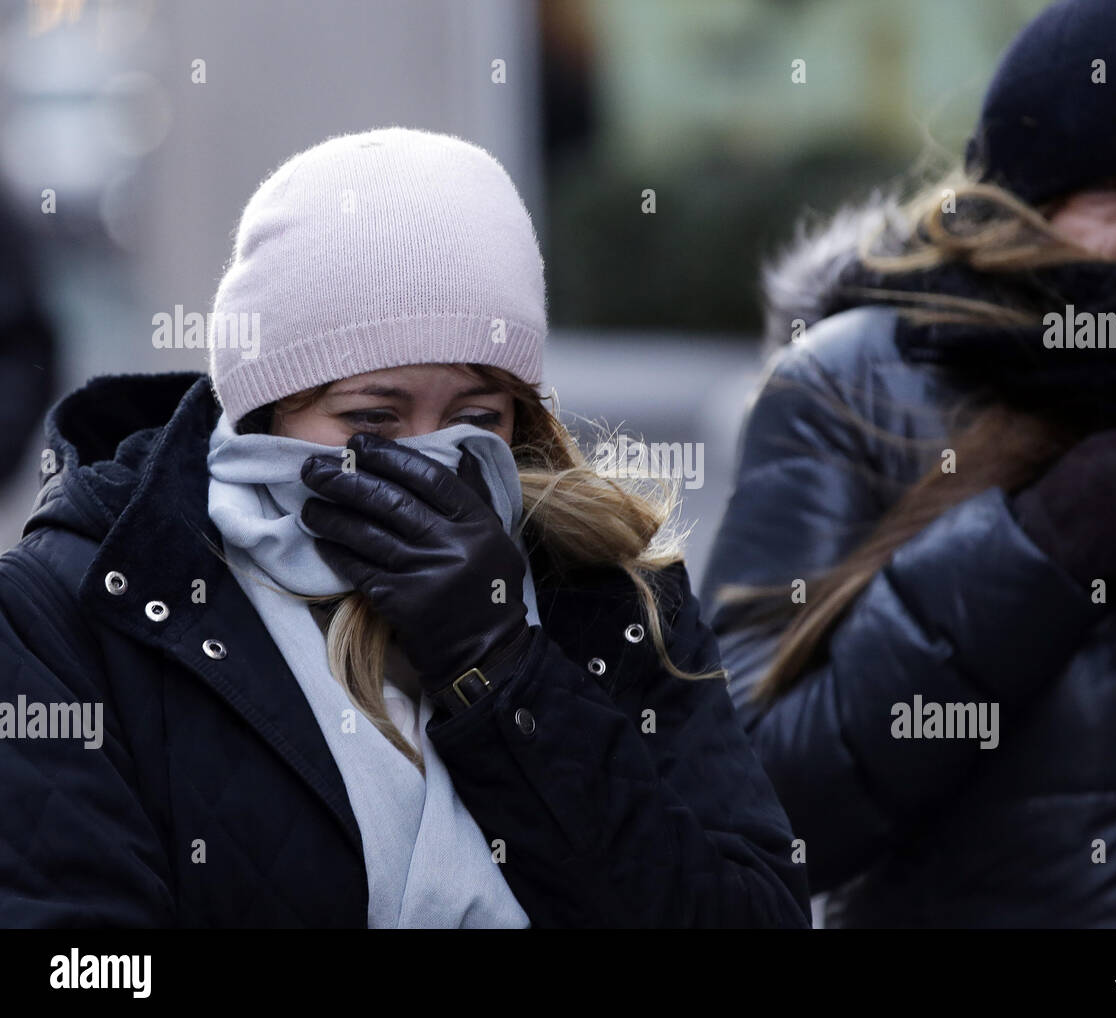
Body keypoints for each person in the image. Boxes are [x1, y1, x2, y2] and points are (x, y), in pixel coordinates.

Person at [0, 128, 810, 929]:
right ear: (264, 411)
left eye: (474, 415)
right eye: (372, 418)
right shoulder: (75, 611)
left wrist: (501, 670)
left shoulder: (606, 592)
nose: (427, 460)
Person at [701, 0, 1116, 928]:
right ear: (1020, 205)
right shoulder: (861, 384)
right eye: (1107, 191)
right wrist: (1025, 559)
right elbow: (745, 811)